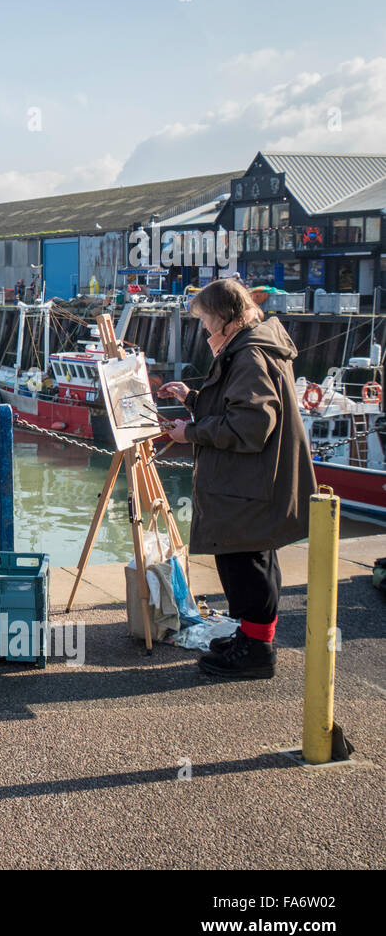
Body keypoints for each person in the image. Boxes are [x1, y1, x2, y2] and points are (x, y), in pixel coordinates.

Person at [161, 277, 316, 679]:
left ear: (227, 318)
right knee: (251, 560)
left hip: (247, 484)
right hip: (251, 482)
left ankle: (256, 652)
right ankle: (252, 637)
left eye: (208, 322)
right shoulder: (251, 346)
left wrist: (190, 433)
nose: (206, 331)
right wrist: (192, 400)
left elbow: (250, 425)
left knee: (245, 563)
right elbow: (239, 405)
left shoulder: (248, 355)